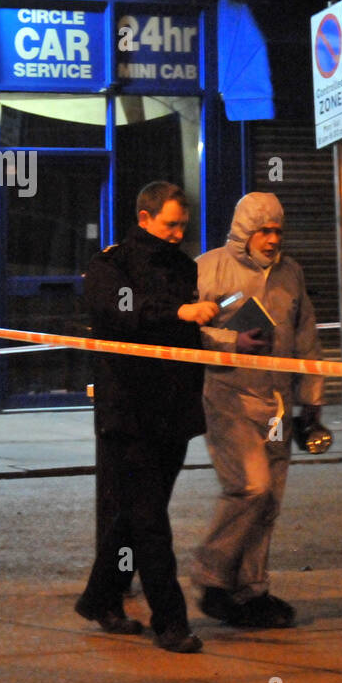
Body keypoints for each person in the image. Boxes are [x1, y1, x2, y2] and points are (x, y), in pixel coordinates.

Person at [75, 181, 218, 653]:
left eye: (183, 224)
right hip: (128, 411)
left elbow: (186, 337)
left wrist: (229, 342)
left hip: (173, 409)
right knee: (151, 521)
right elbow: (122, 313)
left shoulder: (184, 265)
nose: (178, 233)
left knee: (135, 517)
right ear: (144, 218)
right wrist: (181, 310)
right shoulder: (109, 265)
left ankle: (101, 598)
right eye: (170, 223)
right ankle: (171, 622)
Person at [193, 192, 323, 628]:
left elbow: (307, 340)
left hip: (278, 403)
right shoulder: (208, 269)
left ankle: (251, 590)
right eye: (262, 231)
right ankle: (212, 576)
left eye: (277, 231)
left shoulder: (291, 275)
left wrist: (313, 403)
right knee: (250, 487)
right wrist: (232, 343)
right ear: (244, 232)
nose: (270, 239)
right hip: (228, 396)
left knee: (268, 502)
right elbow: (187, 334)